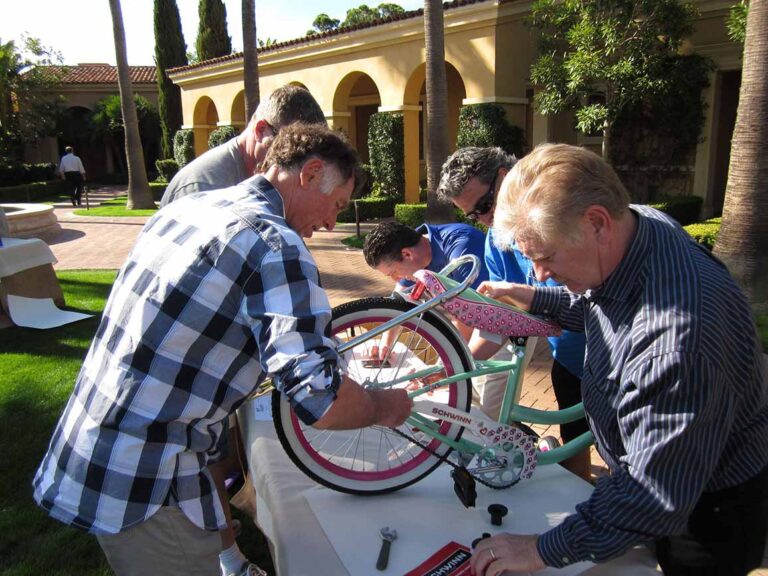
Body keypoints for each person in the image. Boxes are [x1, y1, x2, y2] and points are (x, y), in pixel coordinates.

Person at [33, 123, 412, 576]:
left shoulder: (192, 206)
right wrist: (384, 406)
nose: (332, 223)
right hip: (148, 480)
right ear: (310, 173)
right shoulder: (275, 244)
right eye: (337, 205)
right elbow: (320, 397)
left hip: (98, 445)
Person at [470, 143, 768, 576]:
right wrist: (533, 297)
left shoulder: (675, 342)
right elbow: (602, 303)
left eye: (545, 256)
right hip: (671, 473)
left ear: (596, 223)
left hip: (710, 510)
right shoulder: (636, 225)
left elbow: (651, 496)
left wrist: (540, 549)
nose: (539, 273)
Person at [437, 147, 591, 481]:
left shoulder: (564, 214)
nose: (483, 220)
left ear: (505, 178)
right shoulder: (496, 239)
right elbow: (500, 322)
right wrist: (455, 367)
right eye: (473, 215)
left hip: (614, 357)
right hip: (569, 358)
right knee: (577, 445)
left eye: (484, 206)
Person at [160, 84, 326, 207]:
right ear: (261, 130)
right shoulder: (206, 187)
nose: (295, 168)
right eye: (288, 150)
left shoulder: (264, 182)